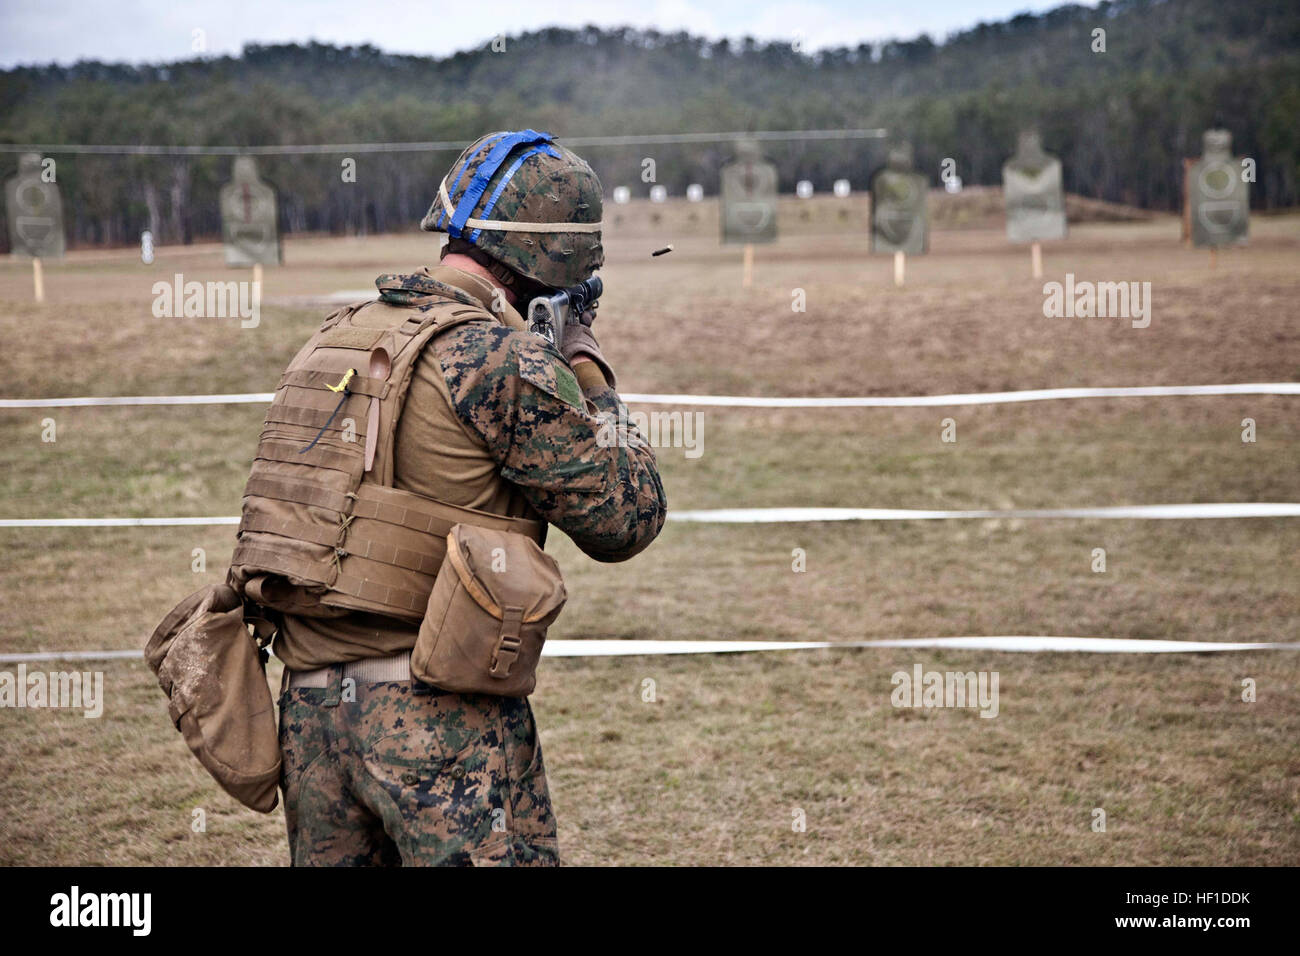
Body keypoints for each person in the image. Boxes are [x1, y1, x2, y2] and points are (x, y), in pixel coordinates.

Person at [227, 129, 667, 866]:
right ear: (551, 256)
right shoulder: (498, 356)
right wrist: (586, 363)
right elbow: (629, 517)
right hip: (440, 718)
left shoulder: (332, 338)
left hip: (309, 714)